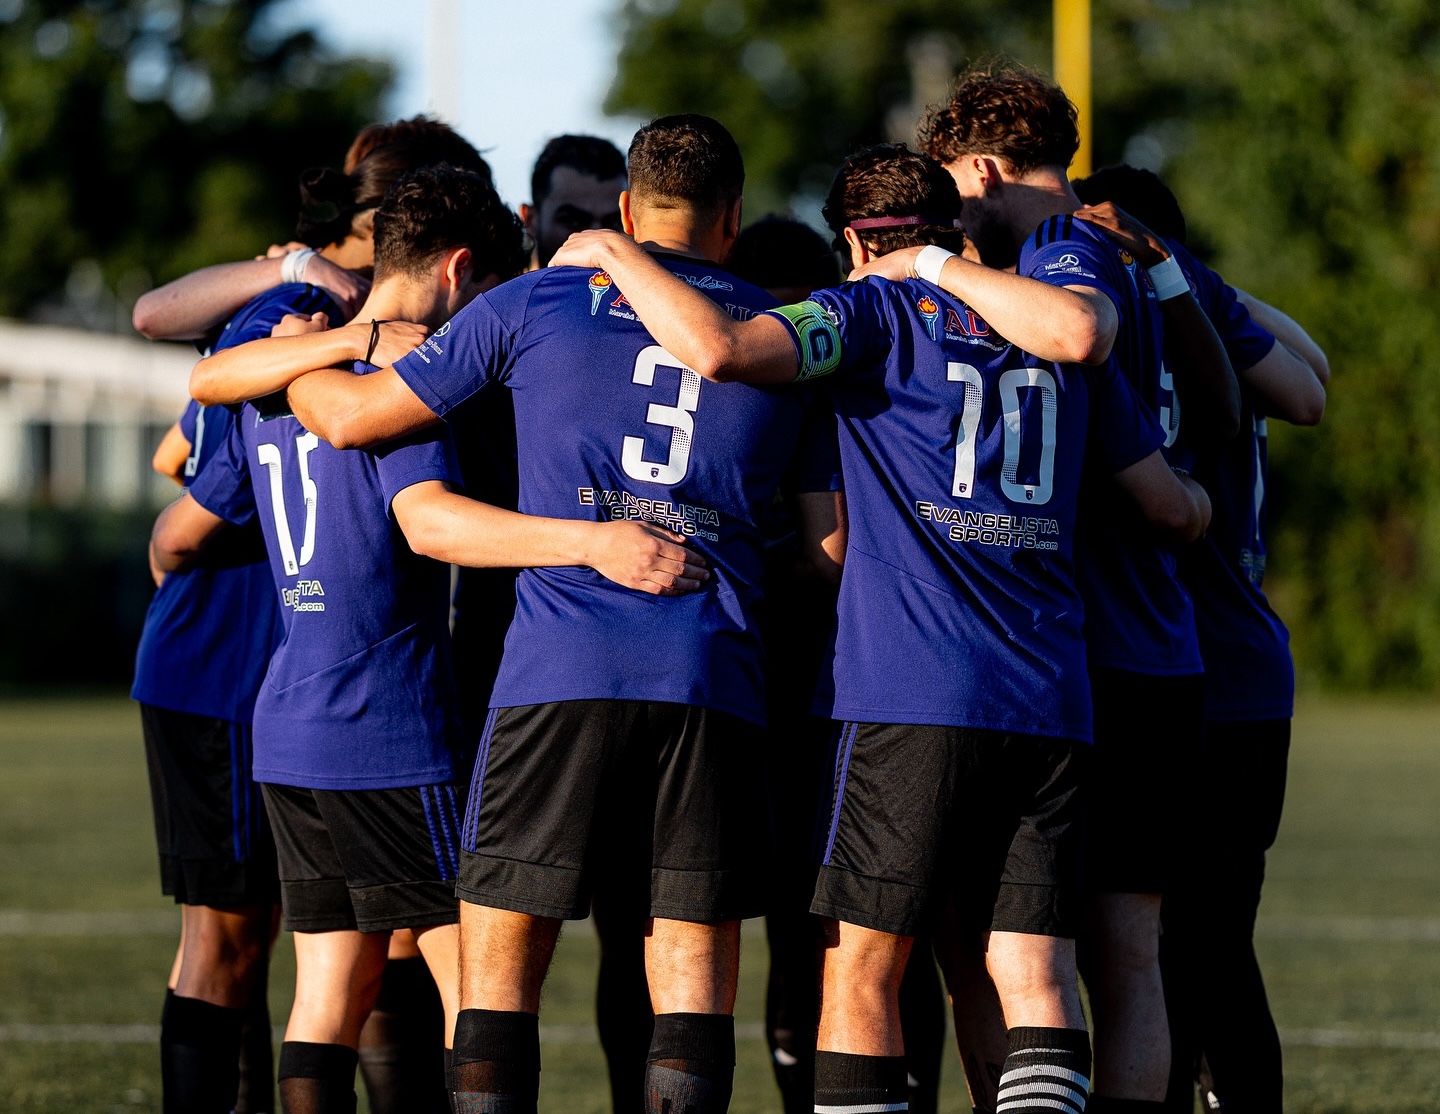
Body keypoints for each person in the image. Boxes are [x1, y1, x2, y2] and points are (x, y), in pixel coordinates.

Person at [180, 112, 843, 1114]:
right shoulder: (777, 334)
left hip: (553, 671)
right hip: (712, 670)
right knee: (690, 974)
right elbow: (826, 550)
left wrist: (309, 349)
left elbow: (357, 419)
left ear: (624, 209)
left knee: (496, 973)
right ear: (735, 219)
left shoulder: (533, 303)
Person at [548, 141, 1212, 1114]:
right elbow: (1170, 506)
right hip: (1049, 696)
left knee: (860, 970)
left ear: (856, 244)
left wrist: (611, 250)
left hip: (908, 689)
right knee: (1031, 974)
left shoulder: (867, 312)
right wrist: (1208, 499)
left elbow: (722, 350)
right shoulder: (1051, 333)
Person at [133, 119, 498, 1114]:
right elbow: (426, 522)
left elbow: (197, 411)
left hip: (290, 708)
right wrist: (592, 543)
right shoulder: (379, 366)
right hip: (368, 712)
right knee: (476, 983)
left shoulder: (285, 356)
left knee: (330, 986)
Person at [911, 62, 1239, 1112]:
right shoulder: (1135, 257)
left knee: (1022, 956)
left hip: (1078, 655)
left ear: (989, 166)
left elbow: (1074, 333)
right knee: (1122, 956)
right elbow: (1248, 398)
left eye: (956, 183)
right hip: (1156, 650)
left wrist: (926, 268)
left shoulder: (1062, 252)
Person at [1074, 165, 1328, 1114]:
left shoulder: (1138, 323)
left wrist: (1174, 268)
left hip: (1189, 674)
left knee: (1185, 952)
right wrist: (1197, 278)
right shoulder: (1205, 324)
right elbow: (1311, 379)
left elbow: (1309, 392)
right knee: (1200, 946)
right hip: (1246, 674)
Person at [724, 212, 951, 1114]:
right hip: (782, 682)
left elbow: (831, 549)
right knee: (816, 931)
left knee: (879, 932)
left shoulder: (850, 373)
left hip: (847, 679)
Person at [520, 134, 628, 268]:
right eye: (573, 221)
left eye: (614, 222)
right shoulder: (500, 288)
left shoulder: (652, 284)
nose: (597, 239)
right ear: (529, 219)